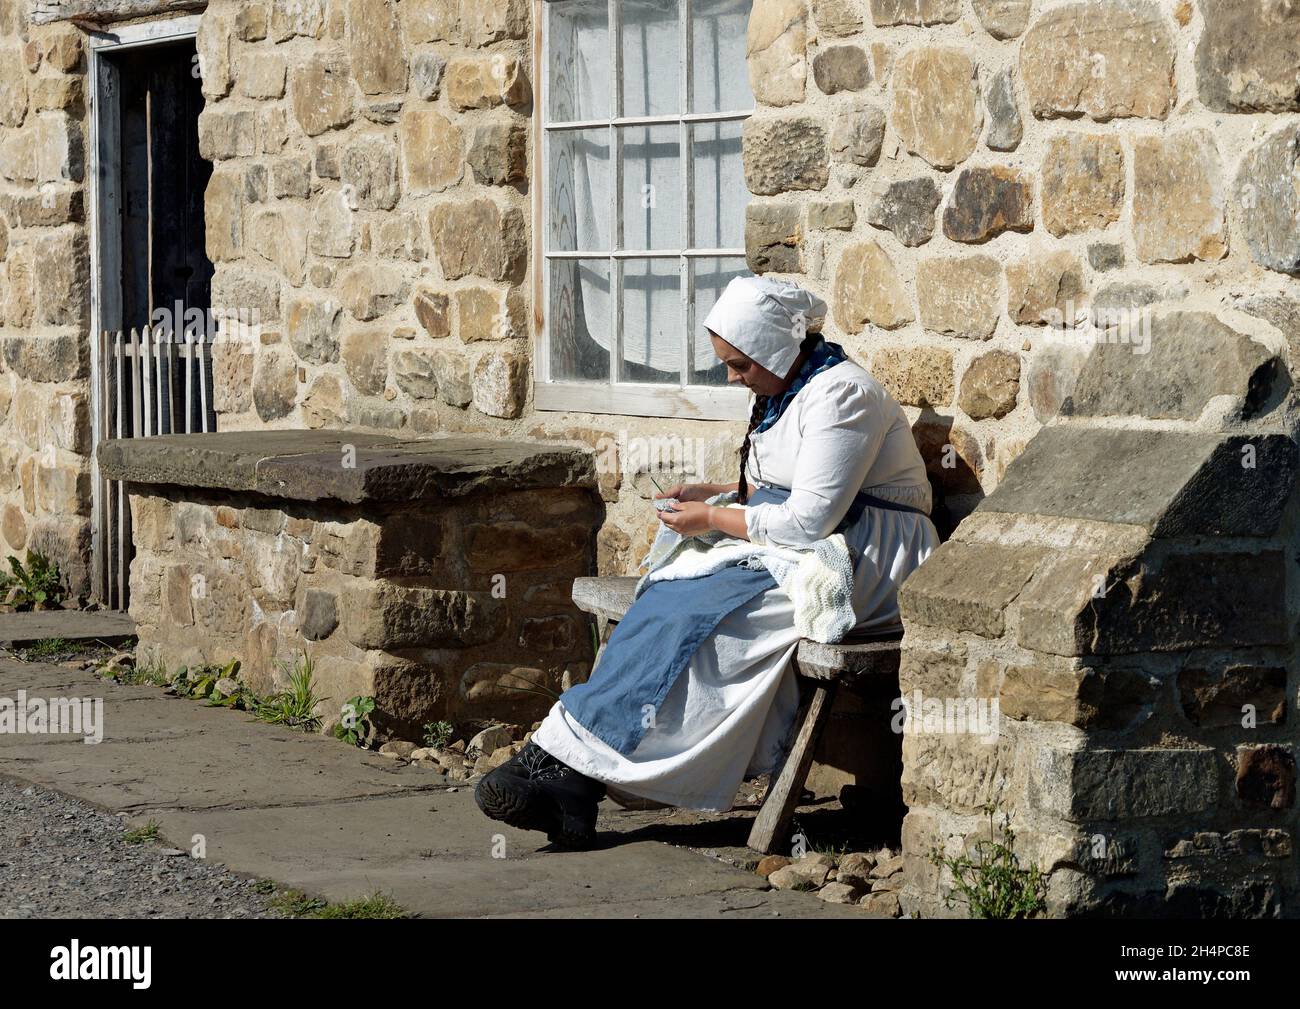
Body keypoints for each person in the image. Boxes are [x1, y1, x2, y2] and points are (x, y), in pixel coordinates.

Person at [475, 276, 940, 848]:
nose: (732, 377)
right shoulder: (786, 390)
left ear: (775, 349)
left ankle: (576, 770)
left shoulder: (844, 395)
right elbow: (787, 491)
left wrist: (714, 521)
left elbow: (808, 519)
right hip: (809, 545)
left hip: (864, 561)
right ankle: (568, 768)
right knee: (668, 592)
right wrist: (717, 493)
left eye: (740, 365)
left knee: (703, 618)